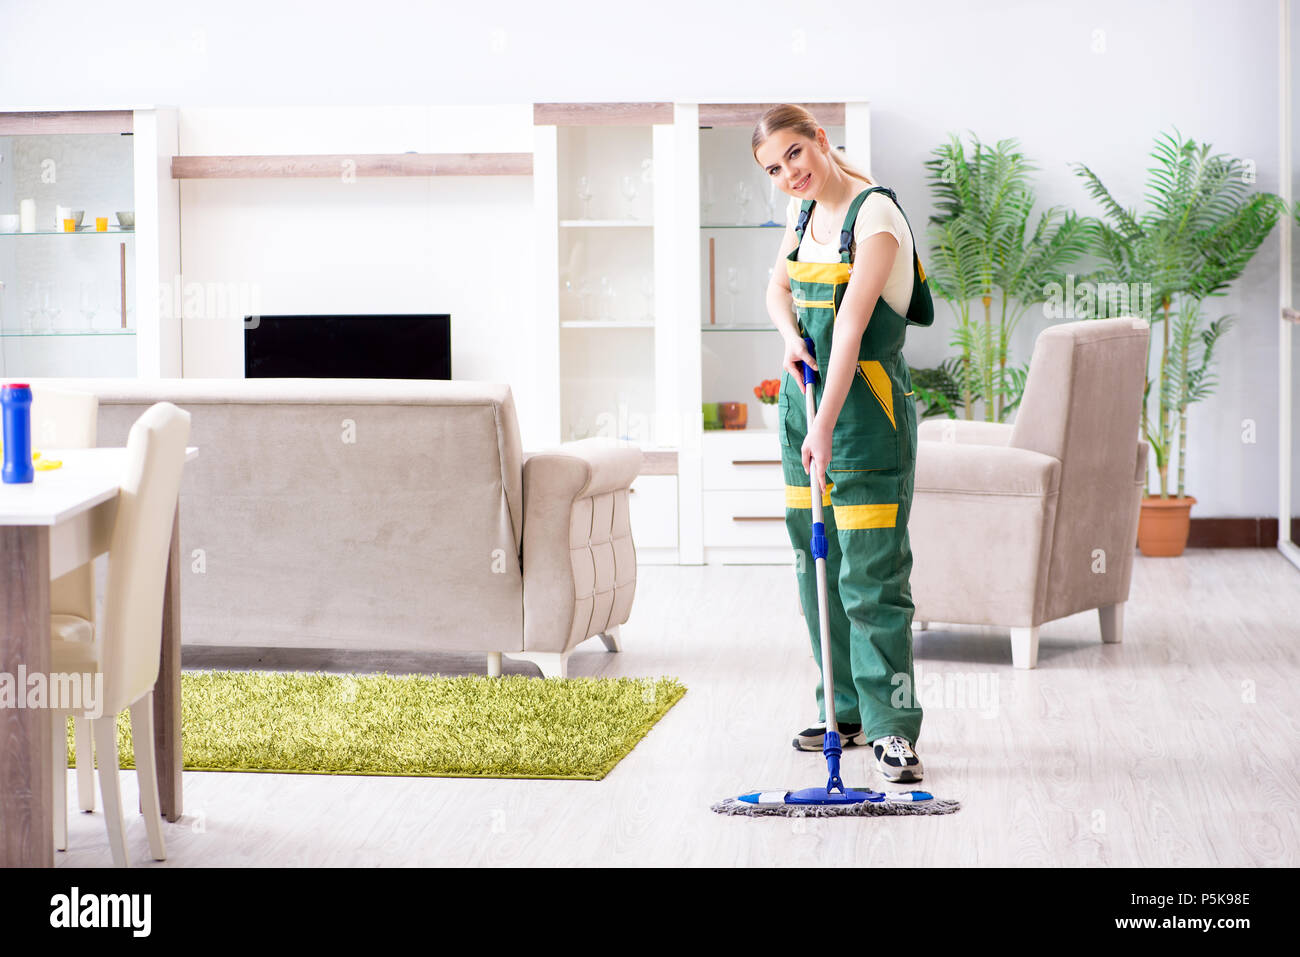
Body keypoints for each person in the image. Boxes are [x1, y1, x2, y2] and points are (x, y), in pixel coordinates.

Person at [753, 104, 935, 783]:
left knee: (871, 574)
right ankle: (845, 711)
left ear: (820, 141)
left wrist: (826, 426)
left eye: (795, 155)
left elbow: (853, 332)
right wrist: (788, 335)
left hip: (865, 413)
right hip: (806, 404)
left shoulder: (875, 217)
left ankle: (893, 729)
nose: (789, 174)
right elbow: (776, 289)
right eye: (774, 168)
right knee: (815, 562)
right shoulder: (803, 218)